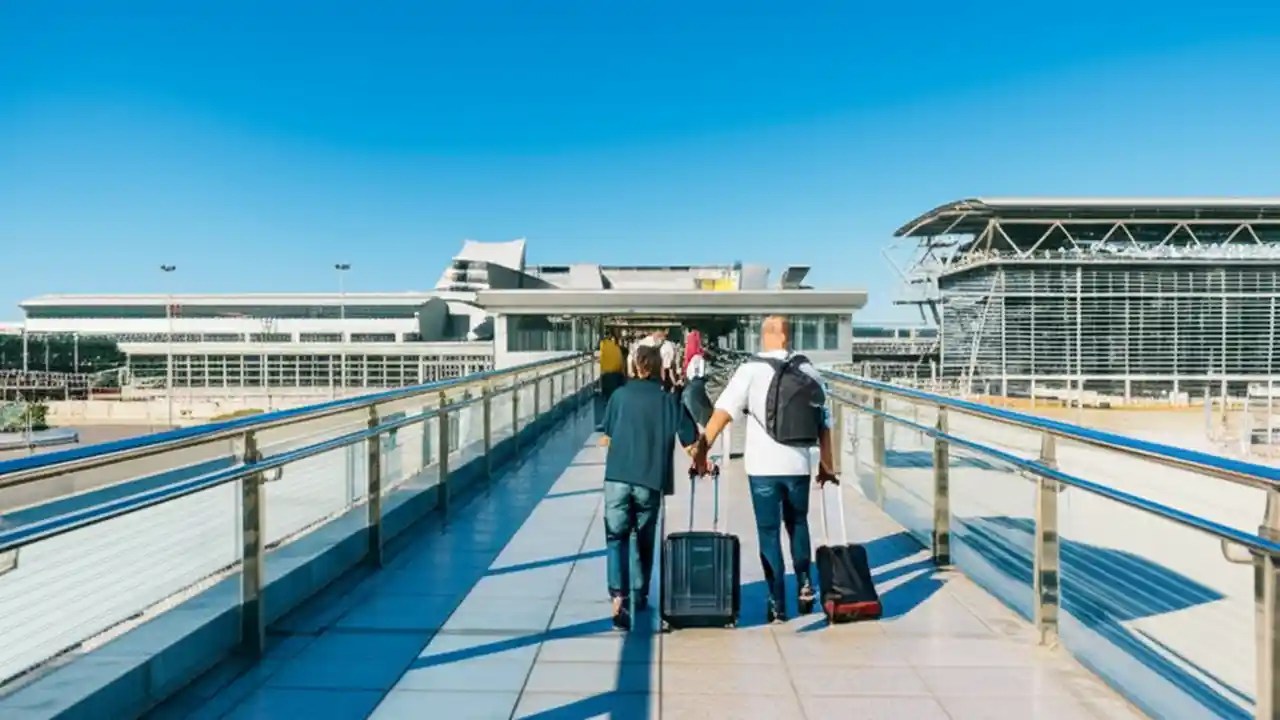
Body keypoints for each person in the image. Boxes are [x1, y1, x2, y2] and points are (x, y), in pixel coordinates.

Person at [696, 315, 836, 623]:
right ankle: (804, 583)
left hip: (762, 467)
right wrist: (827, 465)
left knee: (769, 533)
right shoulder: (810, 370)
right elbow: (825, 423)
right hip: (798, 465)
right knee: (798, 524)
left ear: (765, 336)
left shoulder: (750, 370)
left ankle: (776, 602)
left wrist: (702, 450)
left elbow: (722, 413)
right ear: (788, 336)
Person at [600, 345, 702, 630]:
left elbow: (607, 436)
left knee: (615, 538)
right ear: (659, 368)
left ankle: (617, 598)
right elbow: (691, 442)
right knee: (643, 540)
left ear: (634, 367)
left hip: (617, 478)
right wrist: (703, 462)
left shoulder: (619, 396)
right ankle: (639, 593)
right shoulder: (668, 401)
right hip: (649, 480)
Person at [681, 329, 713, 427]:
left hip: (693, 384)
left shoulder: (695, 358)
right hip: (699, 385)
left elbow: (694, 373)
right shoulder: (700, 357)